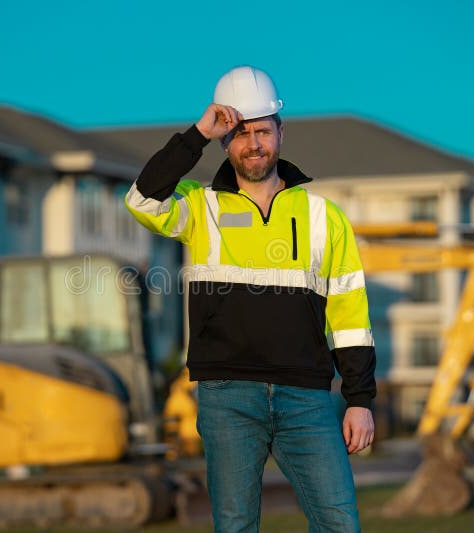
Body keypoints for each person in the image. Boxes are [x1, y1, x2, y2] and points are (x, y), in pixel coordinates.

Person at [125, 65, 376, 532]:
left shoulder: (325, 216)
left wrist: (359, 398)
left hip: (307, 398)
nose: (253, 143)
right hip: (228, 397)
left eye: (263, 130)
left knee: (340, 522)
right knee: (236, 525)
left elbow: (350, 314)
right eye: (239, 134)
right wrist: (198, 132)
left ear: (282, 131)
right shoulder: (200, 207)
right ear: (224, 140)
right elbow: (141, 199)